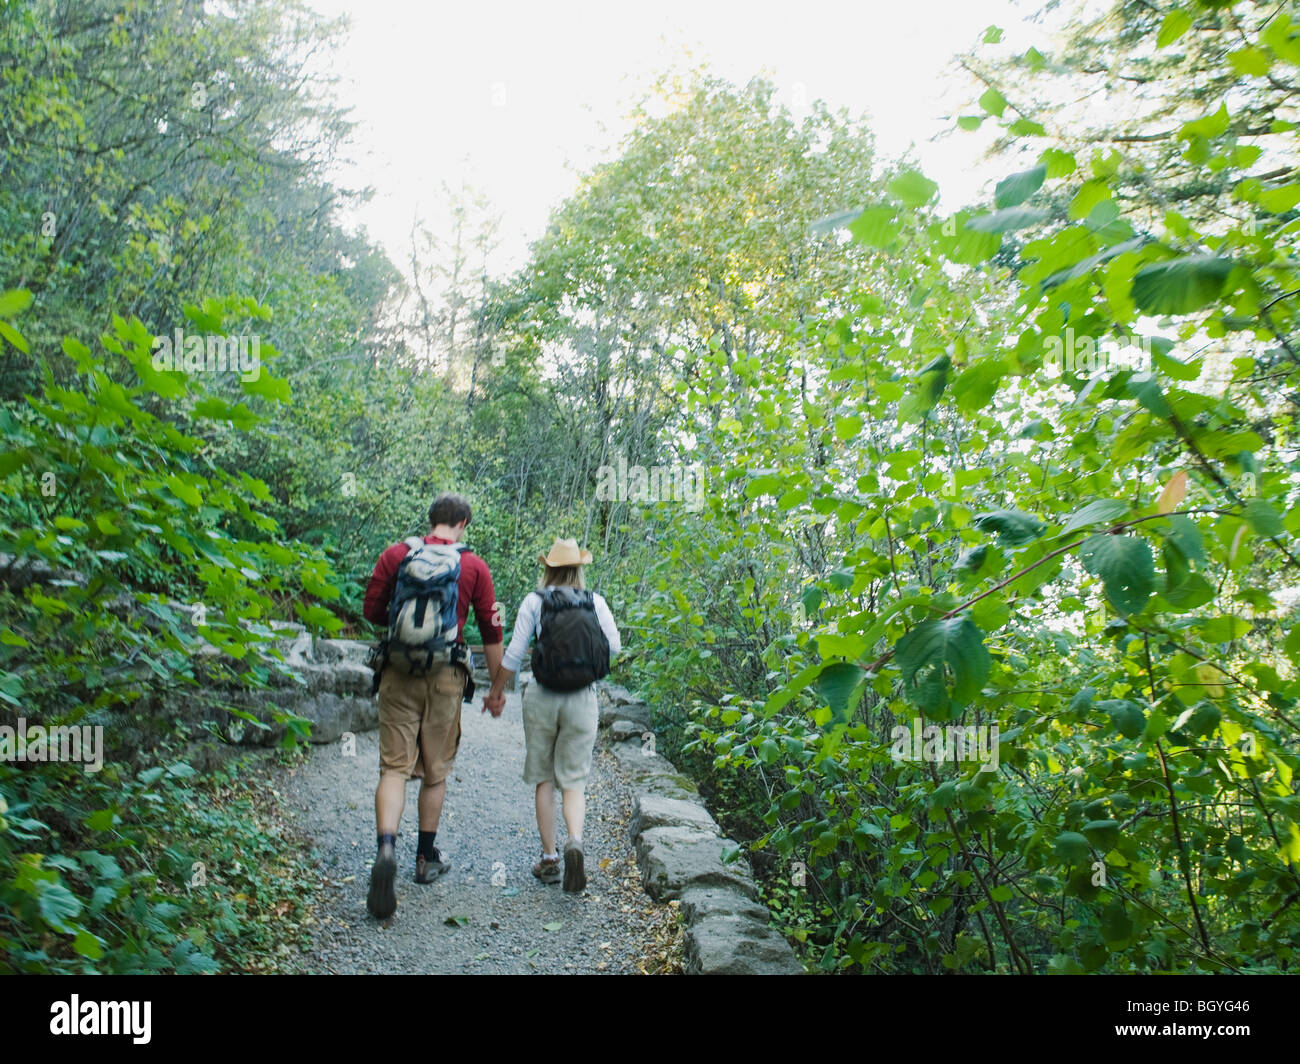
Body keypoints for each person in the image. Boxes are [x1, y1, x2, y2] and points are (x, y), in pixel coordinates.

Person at [361, 492, 504, 919]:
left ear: (432, 521)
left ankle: (387, 847)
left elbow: (371, 609)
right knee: (436, 771)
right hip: (446, 674)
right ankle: (426, 858)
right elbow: (491, 630)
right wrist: (497, 688)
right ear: (463, 524)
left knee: (394, 768)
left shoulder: (395, 554)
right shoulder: (474, 566)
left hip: (398, 672)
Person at [483, 538, 620, 893]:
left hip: (542, 697)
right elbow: (615, 647)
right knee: (573, 780)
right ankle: (574, 840)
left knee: (544, 778)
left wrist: (496, 691)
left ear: (549, 568)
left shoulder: (535, 601)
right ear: (578, 568)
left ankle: (549, 859)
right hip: (581, 699)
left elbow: (513, 656)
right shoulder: (596, 602)